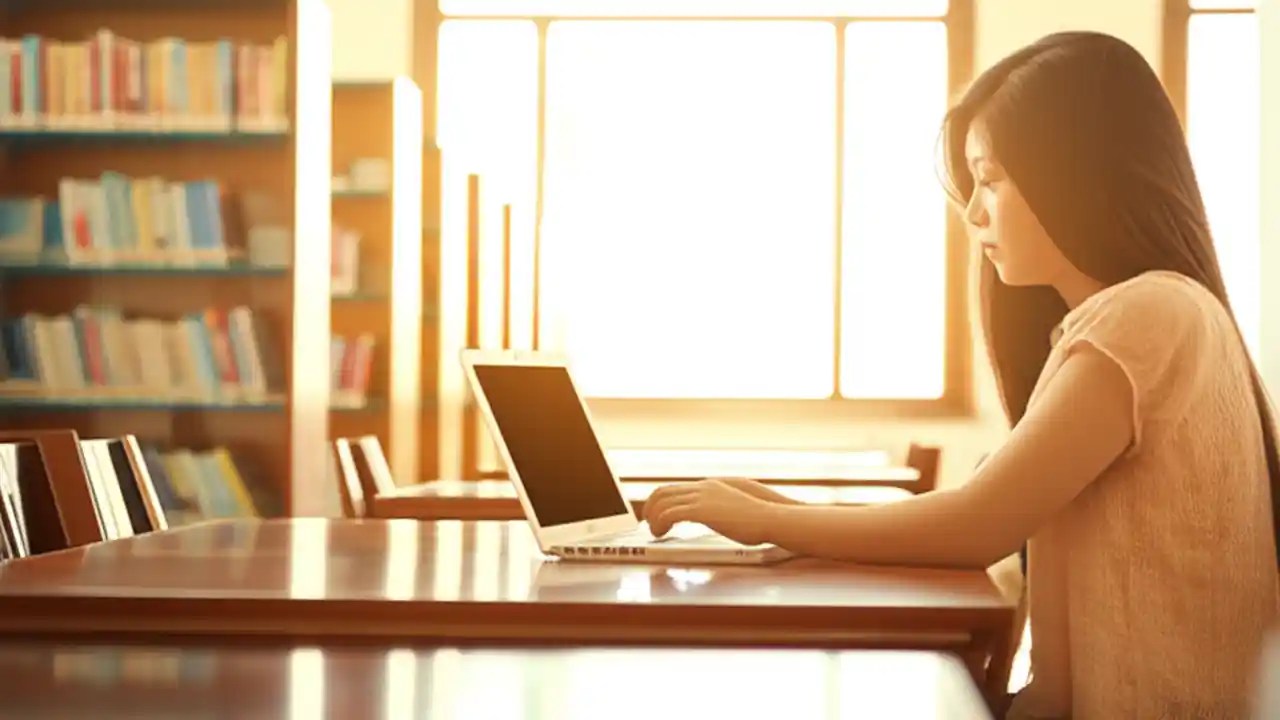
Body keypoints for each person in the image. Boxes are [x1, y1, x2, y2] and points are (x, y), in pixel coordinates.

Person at [642, 31, 1279, 719]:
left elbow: (980, 525)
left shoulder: (1150, 315)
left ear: (1076, 172)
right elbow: (984, 516)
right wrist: (779, 511)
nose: (974, 212)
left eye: (992, 178)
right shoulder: (1152, 314)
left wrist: (769, 520)